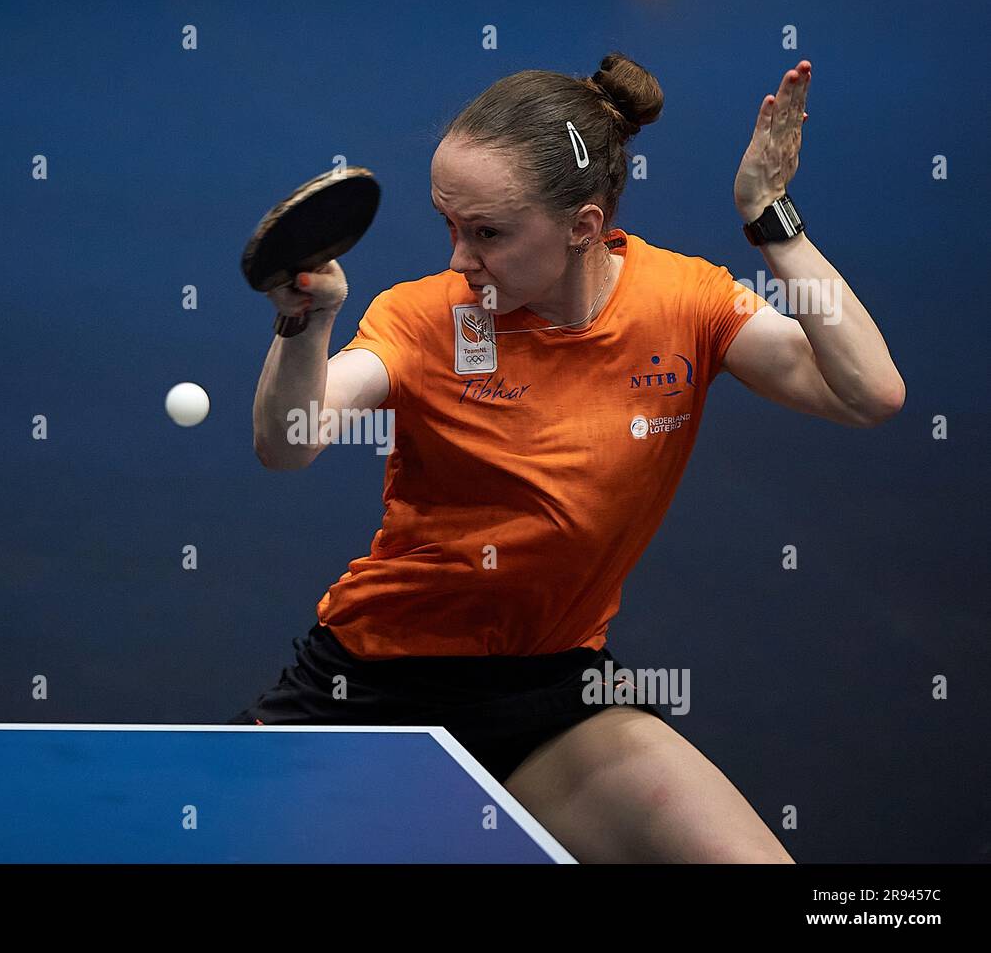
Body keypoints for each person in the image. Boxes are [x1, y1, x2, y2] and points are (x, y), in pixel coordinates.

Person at [229, 54, 905, 863]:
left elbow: (870, 393)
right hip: (373, 687)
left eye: (487, 233)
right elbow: (288, 442)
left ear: (585, 225)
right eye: (449, 224)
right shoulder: (425, 316)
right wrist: (306, 323)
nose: (458, 258)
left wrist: (769, 215)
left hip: (556, 695)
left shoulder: (683, 301)